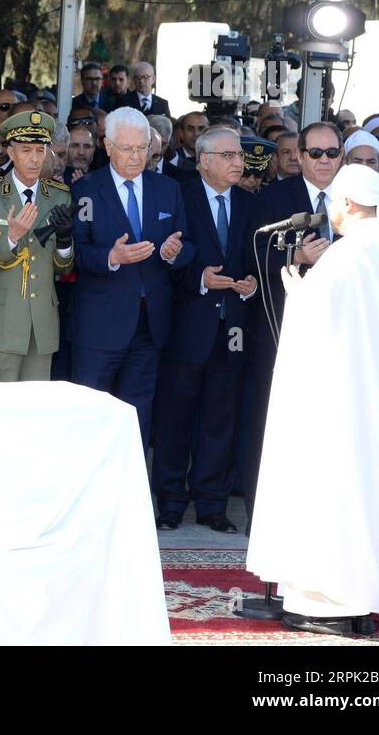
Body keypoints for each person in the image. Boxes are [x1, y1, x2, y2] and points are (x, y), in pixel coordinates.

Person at [249, 165, 379, 637]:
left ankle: (326, 605)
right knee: (370, 499)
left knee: (336, 498)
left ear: (350, 203)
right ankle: (360, 604)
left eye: (334, 201)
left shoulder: (347, 256)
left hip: (344, 410)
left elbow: (322, 329)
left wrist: (298, 292)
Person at [152, 127, 258, 533]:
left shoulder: (251, 203)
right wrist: (199, 277)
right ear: (204, 159)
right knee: (175, 419)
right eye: (228, 155)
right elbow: (167, 256)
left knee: (220, 418)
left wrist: (249, 284)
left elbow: (256, 258)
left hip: (233, 324)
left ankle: (212, 503)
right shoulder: (179, 195)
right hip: (187, 325)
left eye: (239, 155)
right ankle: (171, 501)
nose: (238, 162)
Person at [70, 106, 193, 449]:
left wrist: (175, 253)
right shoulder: (87, 192)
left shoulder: (167, 189)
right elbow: (74, 253)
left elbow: (188, 245)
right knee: (91, 419)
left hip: (149, 326)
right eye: (127, 148)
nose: (136, 156)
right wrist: (111, 257)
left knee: (137, 419)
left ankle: (128, 495)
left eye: (143, 148)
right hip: (99, 328)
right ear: (107, 146)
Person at [244, 122, 343, 530]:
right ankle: (263, 516)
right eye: (315, 153)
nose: (324, 161)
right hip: (280, 325)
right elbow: (252, 258)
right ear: (299, 155)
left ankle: (319, 517)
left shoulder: (356, 199)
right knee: (269, 420)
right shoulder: (273, 198)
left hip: (341, 327)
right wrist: (297, 259)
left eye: (332, 153)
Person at [0, 110, 74, 381]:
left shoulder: (59, 196)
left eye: (40, 150)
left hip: (41, 326)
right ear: (11, 152)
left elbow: (63, 268)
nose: (34, 158)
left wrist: (64, 241)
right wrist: (11, 238)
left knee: (35, 413)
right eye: (26, 150)